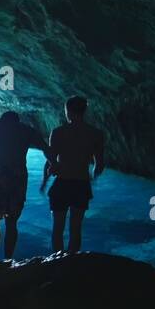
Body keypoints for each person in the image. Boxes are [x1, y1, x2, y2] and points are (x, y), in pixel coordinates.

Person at [0, 111, 51, 265]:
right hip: (18, 176)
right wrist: (55, 165)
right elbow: (45, 148)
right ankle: (8, 260)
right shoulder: (27, 131)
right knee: (12, 222)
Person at [46, 96, 105, 253]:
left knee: (57, 229)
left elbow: (51, 157)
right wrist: (93, 177)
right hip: (81, 184)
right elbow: (99, 164)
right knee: (76, 228)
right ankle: (72, 262)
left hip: (62, 183)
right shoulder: (96, 134)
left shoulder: (58, 132)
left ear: (68, 111)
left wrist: (54, 167)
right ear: (84, 111)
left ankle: (57, 262)